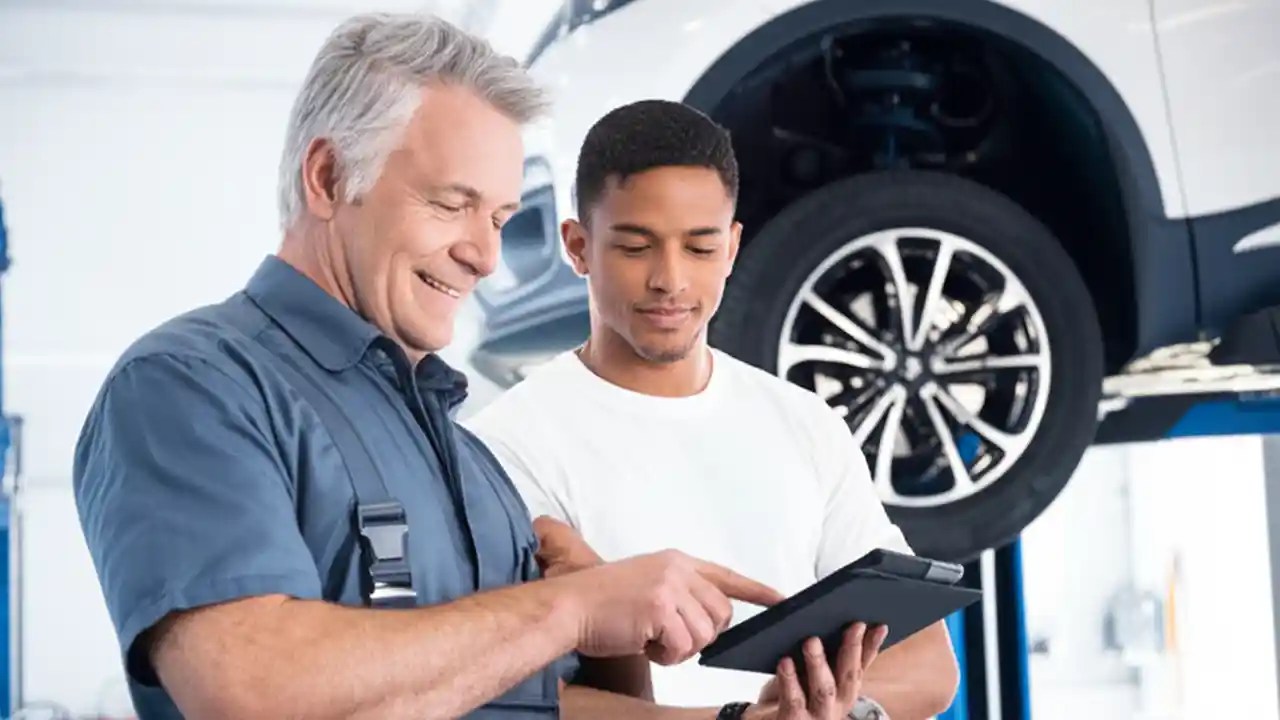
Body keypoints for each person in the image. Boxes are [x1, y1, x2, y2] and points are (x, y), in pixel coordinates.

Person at [73, 13, 884, 720]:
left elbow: (522, 704)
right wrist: (568, 607)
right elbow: (252, 690)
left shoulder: (463, 457)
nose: (485, 256)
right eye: (451, 204)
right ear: (327, 179)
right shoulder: (192, 388)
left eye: (498, 217)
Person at [465, 99, 962, 719]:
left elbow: (927, 661)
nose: (669, 280)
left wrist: (839, 709)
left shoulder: (805, 424)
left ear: (731, 248)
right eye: (636, 247)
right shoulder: (501, 449)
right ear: (578, 246)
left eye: (699, 249)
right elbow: (492, 696)